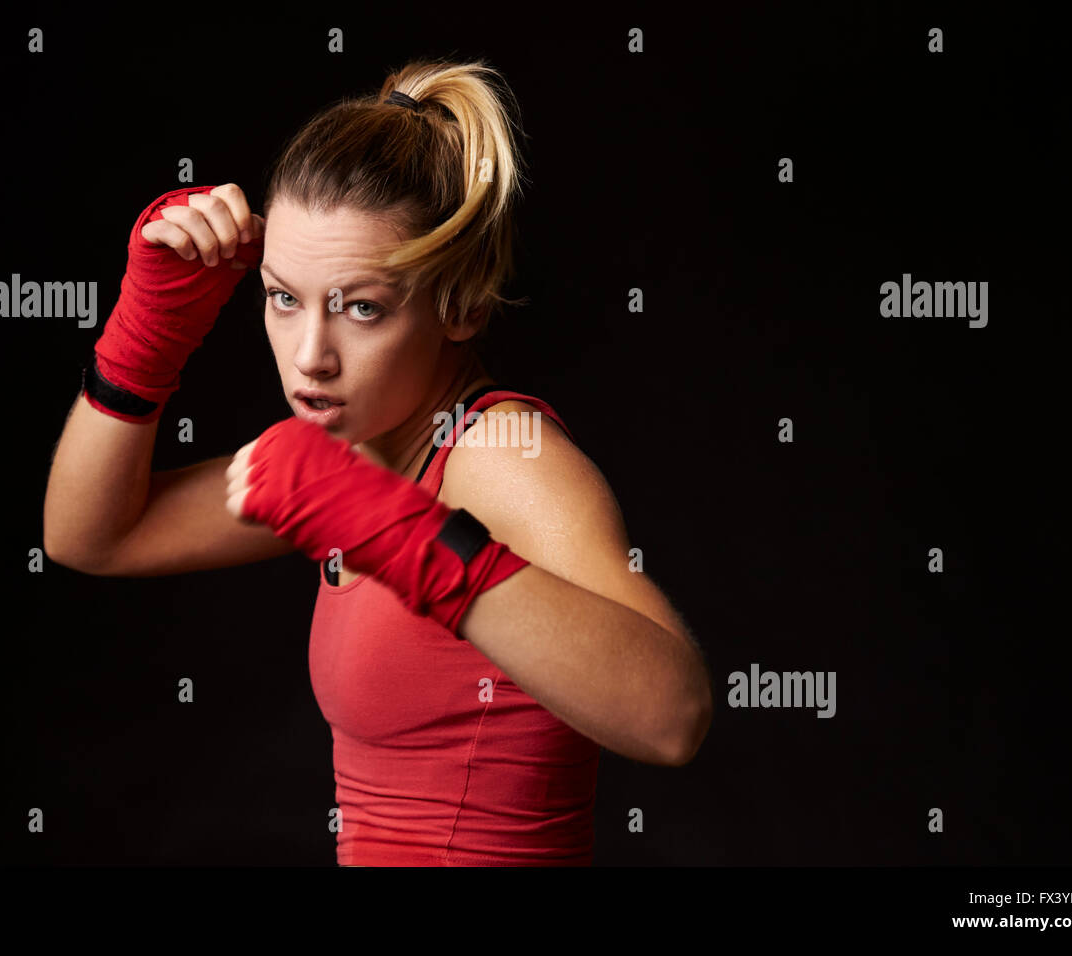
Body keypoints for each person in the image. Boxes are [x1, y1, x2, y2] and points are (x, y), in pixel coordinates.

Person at [44, 57, 713, 866]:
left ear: (460, 304)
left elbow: (671, 715)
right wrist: (146, 335)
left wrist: (397, 532)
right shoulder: (357, 455)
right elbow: (93, 537)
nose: (310, 357)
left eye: (362, 308)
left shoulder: (500, 456)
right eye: (284, 298)